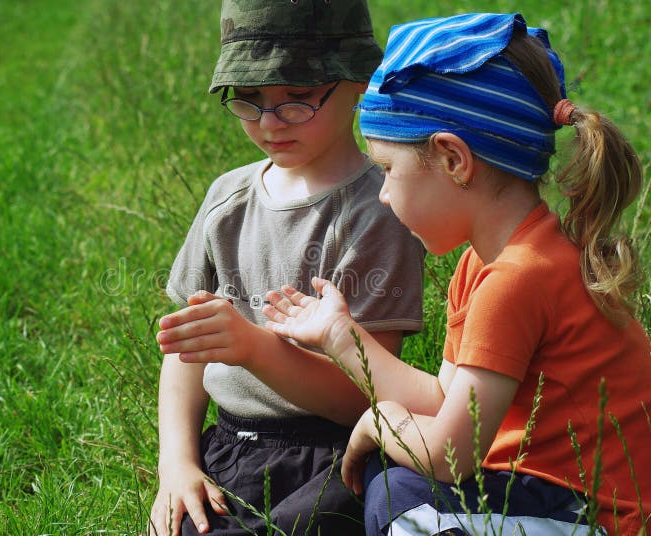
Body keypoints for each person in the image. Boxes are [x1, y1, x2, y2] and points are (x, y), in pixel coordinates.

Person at [263, 12, 651, 536]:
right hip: (547, 493)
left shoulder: (517, 280)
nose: (381, 193)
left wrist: (381, 422)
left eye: (386, 170)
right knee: (395, 477)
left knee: (403, 497)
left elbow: (449, 455)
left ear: (453, 160)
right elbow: (446, 402)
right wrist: (341, 336)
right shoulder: (486, 262)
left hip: (596, 517)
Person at [147, 1, 427, 535]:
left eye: (297, 100)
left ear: (357, 80)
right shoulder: (227, 198)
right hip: (231, 449)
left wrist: (253, 348)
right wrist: (176, 464)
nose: (270, 123)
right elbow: (188, 354)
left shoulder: (380, 211)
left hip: (337, 451)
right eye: (250, 101)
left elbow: (365, 395)